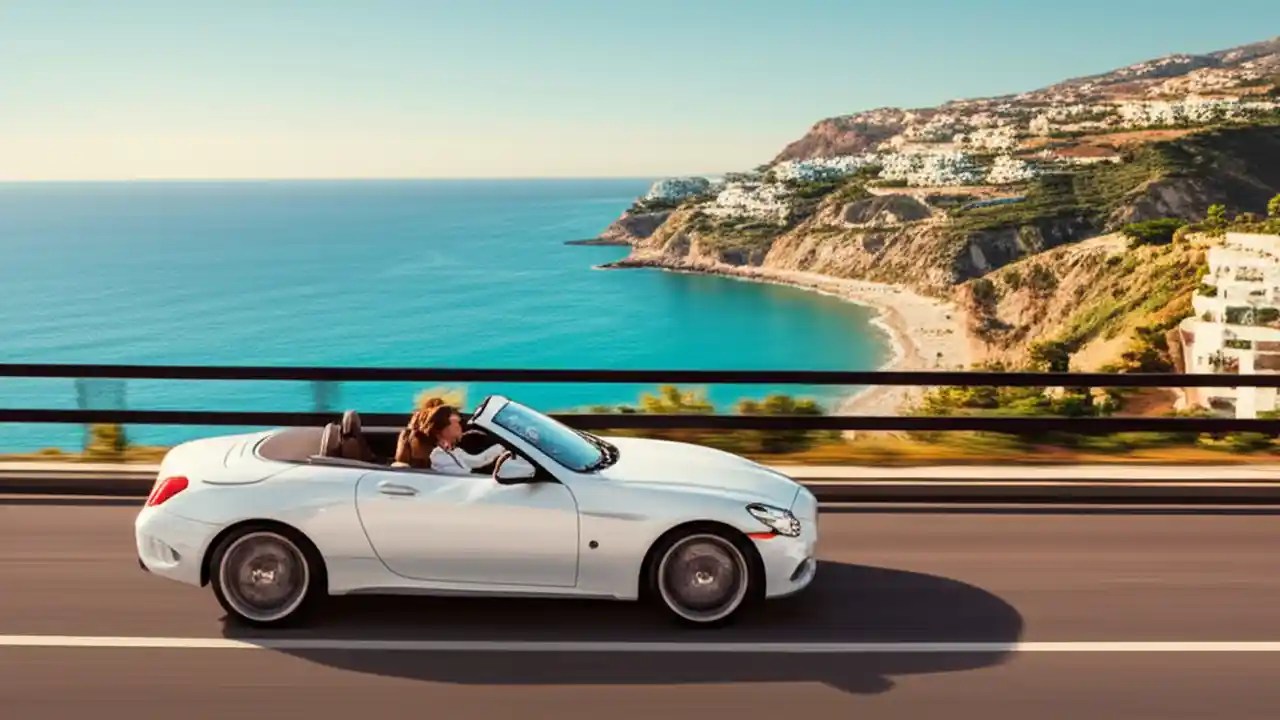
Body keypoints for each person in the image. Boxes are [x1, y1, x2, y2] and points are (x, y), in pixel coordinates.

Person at [421, 404, 508, 475]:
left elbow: (478, 461)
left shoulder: (454, 451)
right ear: (441, 427)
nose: (459, 427)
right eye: (455, 423)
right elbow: (462, 476)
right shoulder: (438, 455)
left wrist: (503, 446)